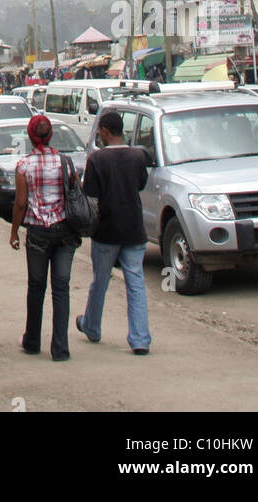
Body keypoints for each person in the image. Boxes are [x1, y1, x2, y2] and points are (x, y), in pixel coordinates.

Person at [77, 109, 151, 354]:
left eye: (99, 130)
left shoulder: (97, 160)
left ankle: (92, 326)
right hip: (133, 228)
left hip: (106, 230)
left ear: (105, 132)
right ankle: (140, 339)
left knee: (100, 281)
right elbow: (141, 184)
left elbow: (91, 198)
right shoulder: (137, 156)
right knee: (136, 283)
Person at [9, 114, 80, 361]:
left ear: (30, 137)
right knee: (61, 289)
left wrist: (14, 231)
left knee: (36, 287)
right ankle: (60, 348)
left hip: (38, 232)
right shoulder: (66, 163)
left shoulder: (24, 166)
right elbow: (74, 193)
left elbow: (20, 203)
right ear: (50, 136)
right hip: (64, 232)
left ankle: (32, 340)